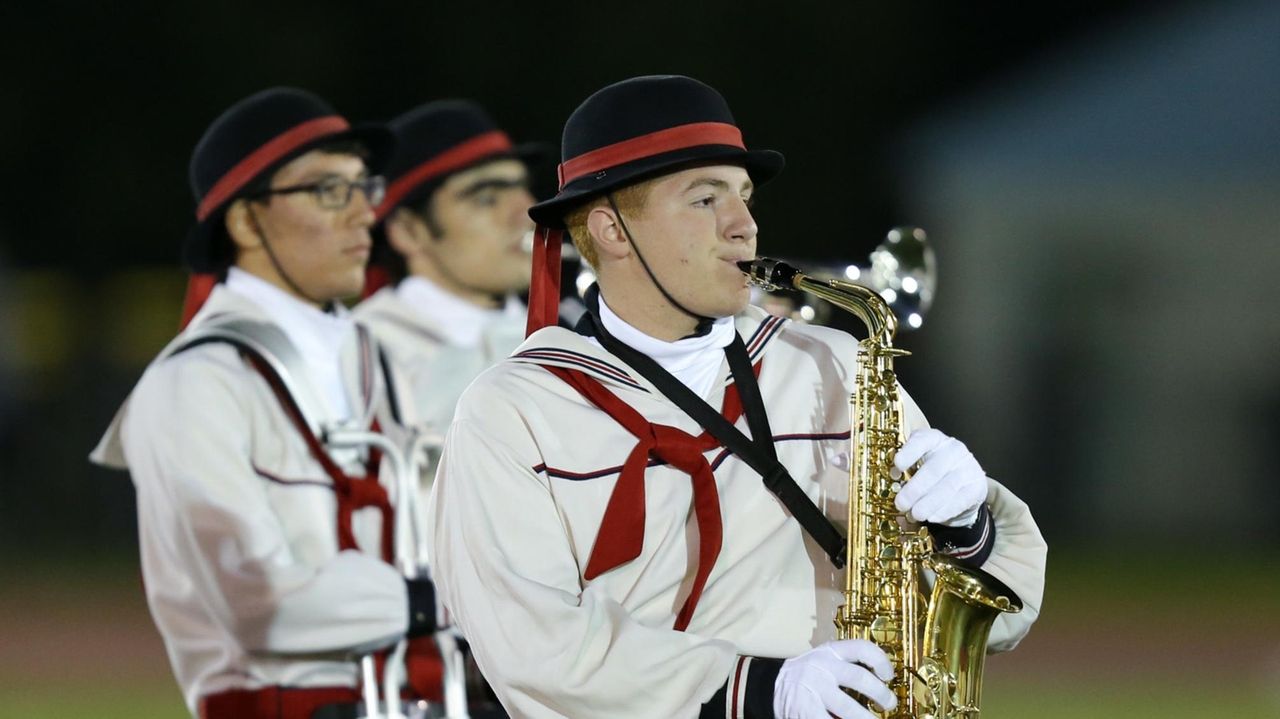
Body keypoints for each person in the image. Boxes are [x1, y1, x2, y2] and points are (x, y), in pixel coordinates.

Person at [427, 75, 1047, 719]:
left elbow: (967, 619)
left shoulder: (834, 367)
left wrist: (967, 530)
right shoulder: (513, 410)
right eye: (704, 199)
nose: (744, 226)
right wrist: (759, 692)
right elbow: (532, 646)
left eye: (744, 196)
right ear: (612, 231)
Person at [91, 87, 439, 719]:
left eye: (365, 188)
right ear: (246, 221)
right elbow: (262, 605)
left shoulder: (375, 360)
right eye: (328, 191)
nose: (365, 214)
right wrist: (446, 601)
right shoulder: (193, 382)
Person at [355, 100, 544, 446]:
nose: (527, 214)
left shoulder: (574, 331)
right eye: (486, 198)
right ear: (409, 231)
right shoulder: (356, 353)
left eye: (522, 188)